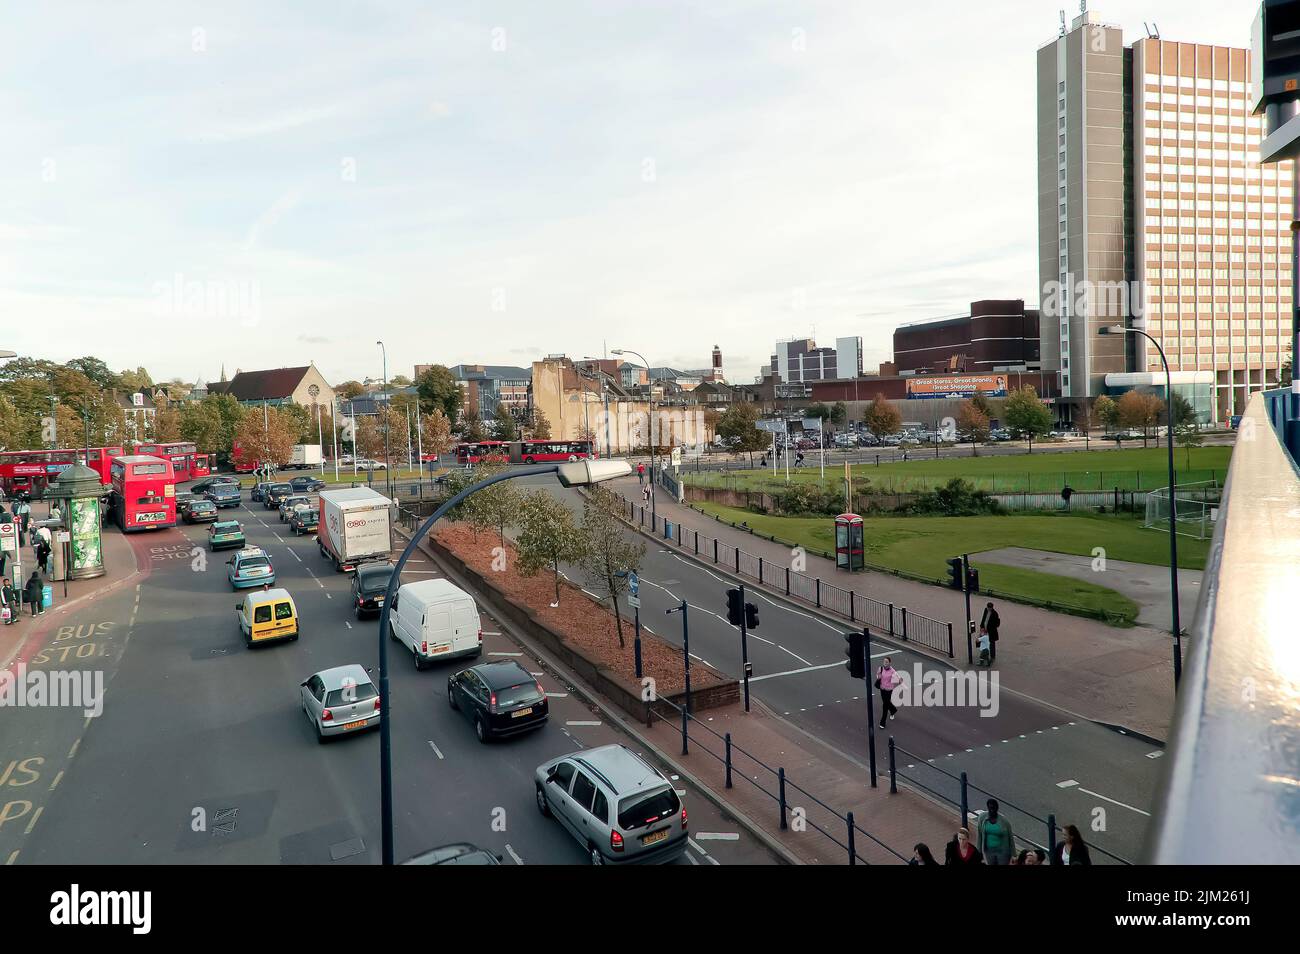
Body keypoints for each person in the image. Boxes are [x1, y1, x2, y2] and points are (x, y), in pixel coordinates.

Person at [977, 799, 1015, 865]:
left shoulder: (1004, 821)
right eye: (990, 808)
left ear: (997, 808)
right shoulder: (982, 818)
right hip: (988, 851)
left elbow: (1010, 838)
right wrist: (978, 851)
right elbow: (980, 835)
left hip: (1002, 851)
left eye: (993, 808)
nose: (992, 810)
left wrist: (1013, 854)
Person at [875, 657, 900, 729]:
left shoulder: (893, 671)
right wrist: (878, 677)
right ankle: (893, 710)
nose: (885, 663)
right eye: (884, 662)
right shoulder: (881, 668)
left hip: (889, 690)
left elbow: (897, 679)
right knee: (886, 702)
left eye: (886, 662)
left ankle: (882, 722)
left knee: (885, 705)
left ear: (889, 663)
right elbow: (878, 675)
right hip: (882, 688)